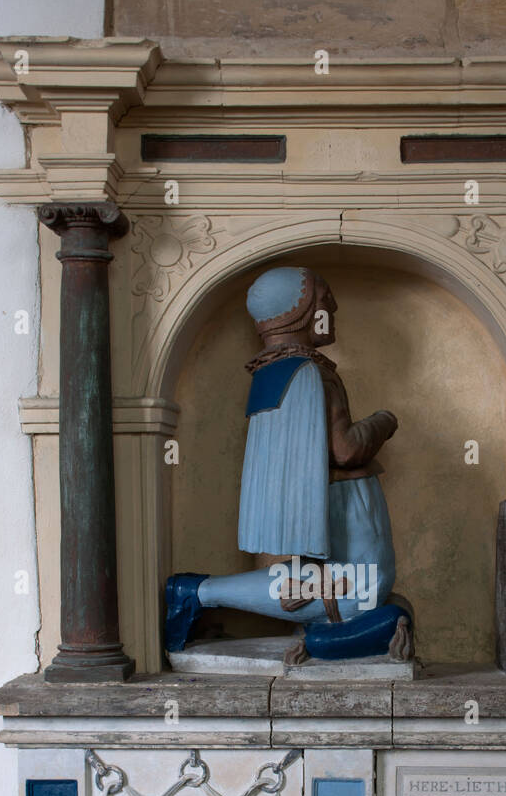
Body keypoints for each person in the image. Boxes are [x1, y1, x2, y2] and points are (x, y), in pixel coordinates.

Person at [166, 265, 411, 662]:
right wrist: (384, 421)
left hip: (338, 502)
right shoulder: (309, 372)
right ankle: (197, 592)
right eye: (323, 296)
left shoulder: (281, 369)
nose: (332, 304)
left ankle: (200, 592)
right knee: (365, 591)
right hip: (347, 500)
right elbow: (346, 450)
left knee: (363, 591)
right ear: (300, 312)